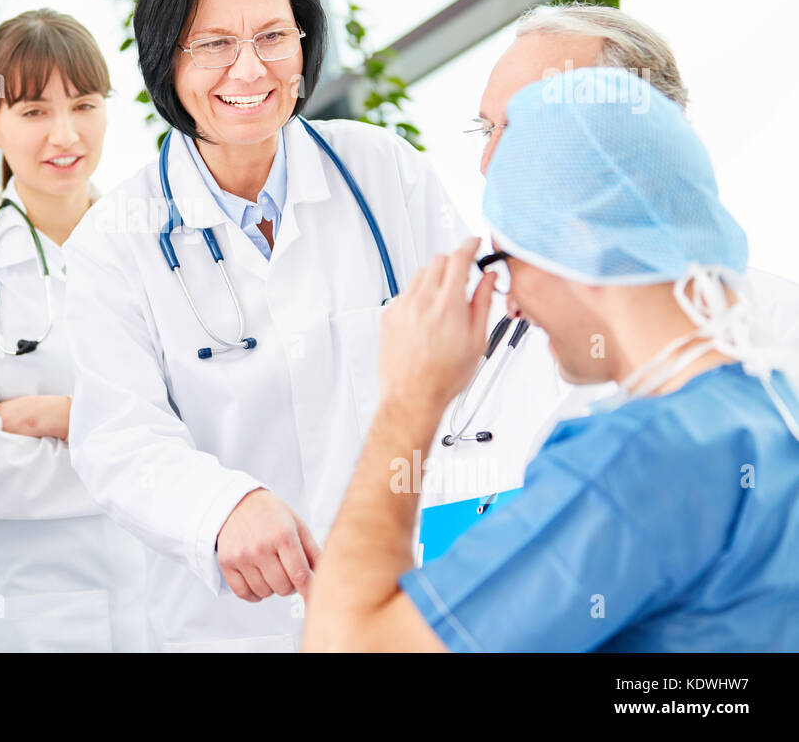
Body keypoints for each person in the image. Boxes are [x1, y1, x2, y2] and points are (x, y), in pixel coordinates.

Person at [62, 0, 467, 651]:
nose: (249, 70)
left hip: (409, 602)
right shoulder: (114, 241)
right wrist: (224, 508)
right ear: (167, 61)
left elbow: (478, 350)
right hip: (234, 629)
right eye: (215, 44)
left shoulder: (382, 173)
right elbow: (120, 440)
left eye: (274, 37)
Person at [304, 67, 799, 652]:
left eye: (508, 260)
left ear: (579, 242)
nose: (509, 300)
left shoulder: (636, 462)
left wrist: (410, 399)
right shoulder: (766, 410)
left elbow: (348, 647)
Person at [418, 4, 799, 548]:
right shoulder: (472, 342)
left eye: (526, 129)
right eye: (488, 130)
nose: (491, 163)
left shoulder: (779, 327)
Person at [0, 10, 147, 652]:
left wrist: (67, 418)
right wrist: (140, 454)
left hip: (178, 601)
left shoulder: (158, 247)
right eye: (34, 111)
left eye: (84, 105)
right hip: (46, 619)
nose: (64, 135)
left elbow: (214, 419)